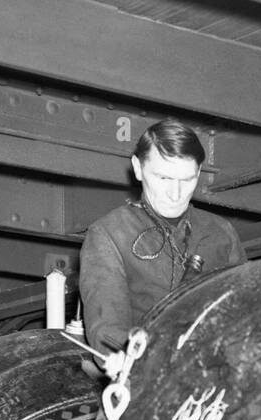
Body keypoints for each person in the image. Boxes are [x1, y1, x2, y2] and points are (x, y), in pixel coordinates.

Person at [80, 118, 245, 375]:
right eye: (163, 177)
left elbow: (246, 310)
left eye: (187, 179)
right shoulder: (109, 234)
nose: (175, 193)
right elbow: (107, 330)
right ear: (138, 168)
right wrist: (129, 360)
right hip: (148, 379)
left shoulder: (221, 232)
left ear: (199, 173)